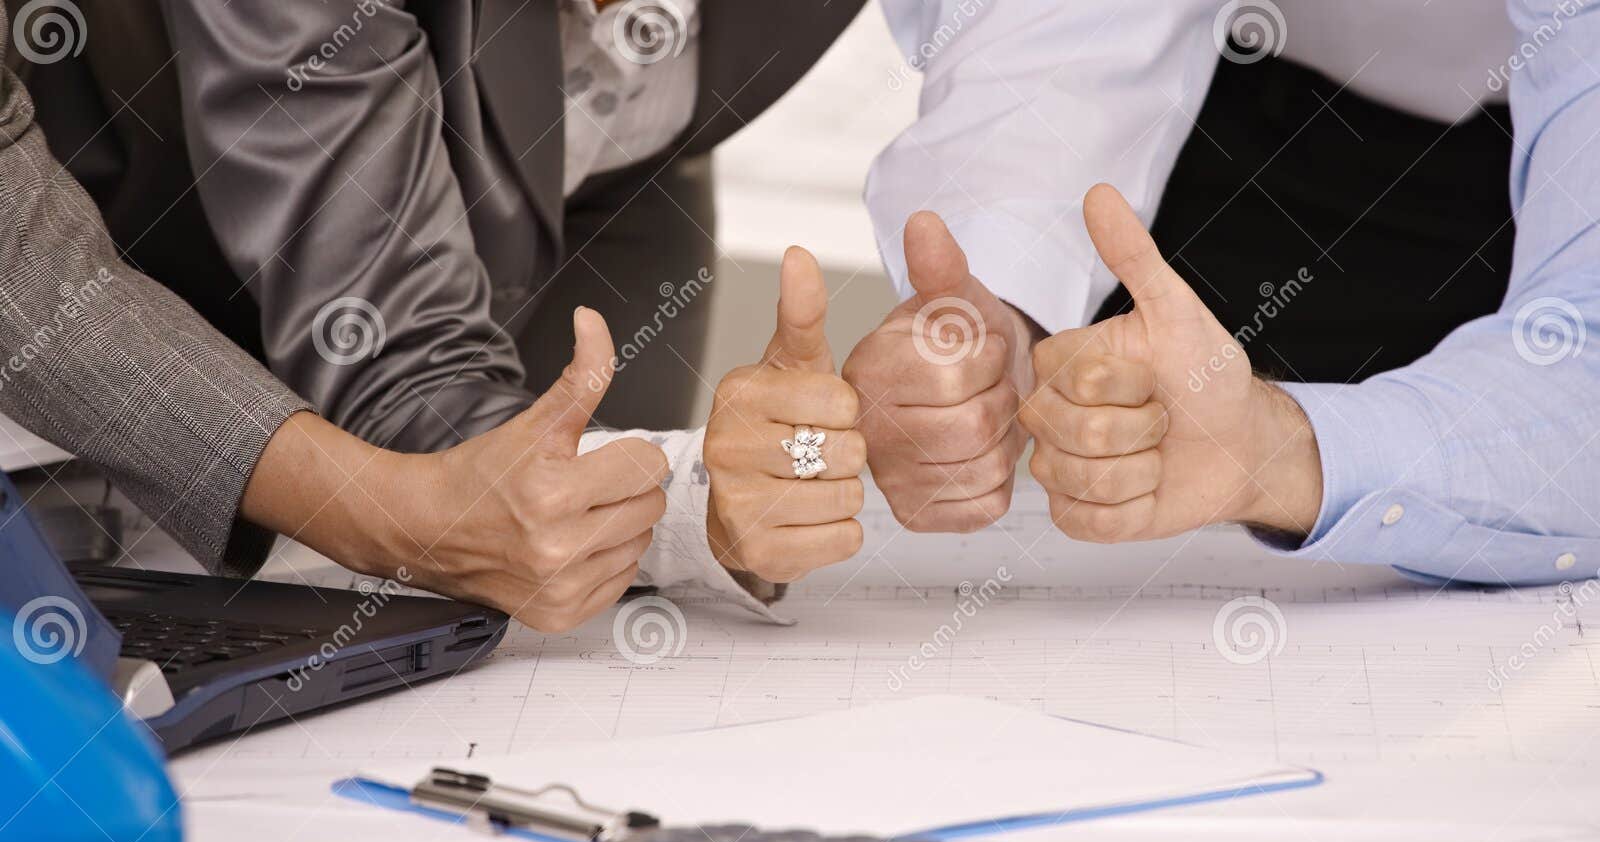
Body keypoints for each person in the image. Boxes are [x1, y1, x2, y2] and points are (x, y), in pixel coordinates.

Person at [0, 2, 861, 631]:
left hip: (562, 246)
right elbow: (25, 270)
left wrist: (987, 328)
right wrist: (690, 497)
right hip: (84, 378)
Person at [850, 0, 1600, 585]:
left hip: (1524, 173)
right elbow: (1071, 34)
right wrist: (1002, 320)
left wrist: (1276, 450)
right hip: (1223, 132)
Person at [31, 0, 870, 451]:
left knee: (599, 632)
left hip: (616, 200)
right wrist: (699, 496)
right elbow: (400, 368)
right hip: (120, 275)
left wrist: (986, 325)